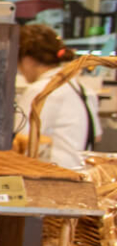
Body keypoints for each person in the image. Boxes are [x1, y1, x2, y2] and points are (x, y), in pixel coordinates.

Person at [16, 23, 99, 169]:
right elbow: (97, 135)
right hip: (81, 174)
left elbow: (20, 142)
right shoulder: (83, 88)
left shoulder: (40, 91)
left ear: (27, 59)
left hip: (52, 177)